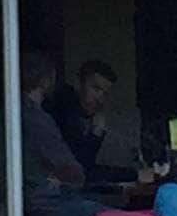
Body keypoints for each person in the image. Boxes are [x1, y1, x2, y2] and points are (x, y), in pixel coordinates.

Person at [18, 49, 102, 216]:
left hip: (27, 206)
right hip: (45, 208)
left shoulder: (7, 113)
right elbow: (74, 171)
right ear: (47, 80)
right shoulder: (36, 118)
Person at [53, 57, 142, 190]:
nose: (99, 98)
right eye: (95, 88)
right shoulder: (62, 112)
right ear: (78, 84)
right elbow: (80, 169)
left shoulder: (80, 114)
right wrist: (95, 134)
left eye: (104, 93)